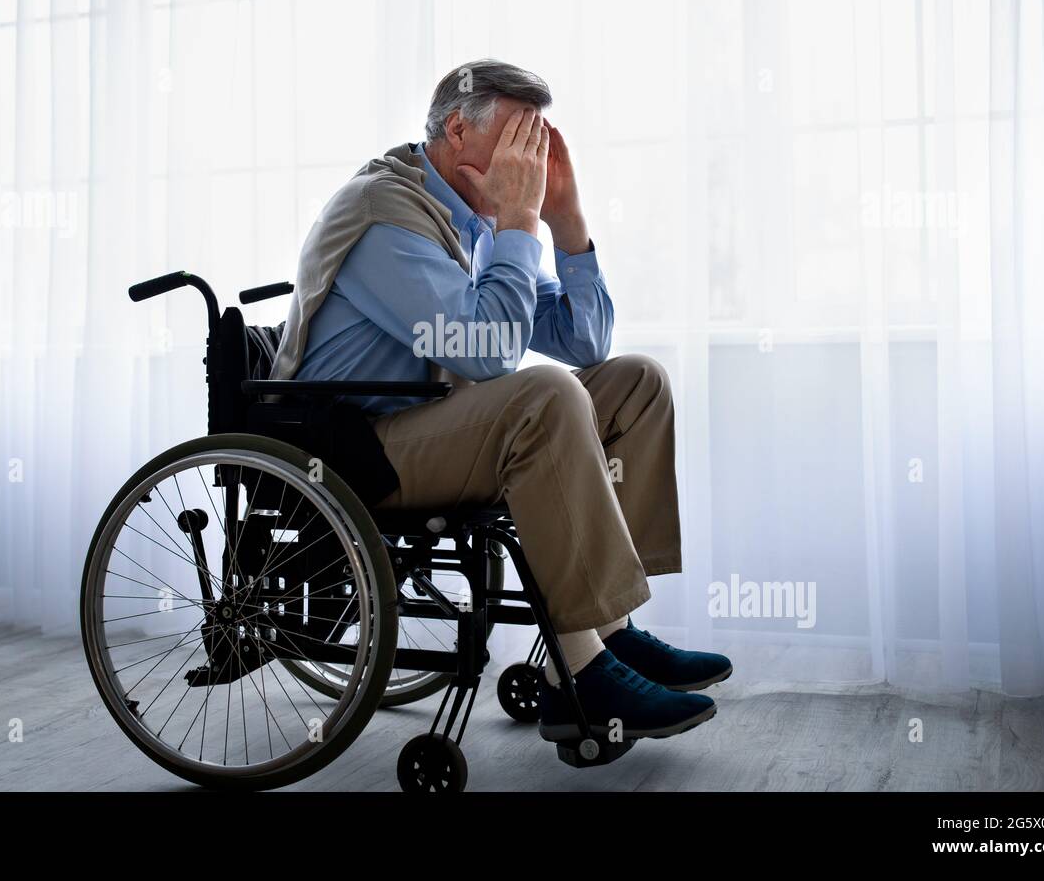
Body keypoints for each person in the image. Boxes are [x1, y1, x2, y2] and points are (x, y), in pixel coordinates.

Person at [272, 59, 731, 742]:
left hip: (437, 426)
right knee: (543, 395)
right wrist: (520, 218)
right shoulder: (382, 211)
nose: (530, 159)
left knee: (637, 383)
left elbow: (585, 342)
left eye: (537, 141)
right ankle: (583, 672)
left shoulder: (479, 223)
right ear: (458, 130)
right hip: (360, 447)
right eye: (519, 139)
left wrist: (566, 222)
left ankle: (609, 630)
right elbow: (486, 351)